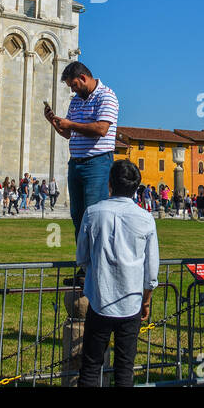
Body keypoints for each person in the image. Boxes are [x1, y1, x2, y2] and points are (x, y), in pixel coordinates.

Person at [76, 160, 159, 387]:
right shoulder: (145, 218)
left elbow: (81, 258)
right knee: (125, 369)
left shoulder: (92, 213)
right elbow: (151, 271)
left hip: (100, 300)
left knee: (91, 367)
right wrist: (147, 301)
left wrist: (95, 270)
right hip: (130, 302)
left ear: (109, 184)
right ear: (136, 188)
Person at [45, 62, 119, 284]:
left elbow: (101, 129)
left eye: (74, 85)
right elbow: (70, 134)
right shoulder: (76, 101)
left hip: (97, 164)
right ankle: (85, 267)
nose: (72, 90)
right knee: (78, 217)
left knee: (95, 218)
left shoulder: (107, 96)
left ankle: (97, 268)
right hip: (76, 163)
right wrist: (55, 123)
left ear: (84, 78)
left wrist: (70, 123)